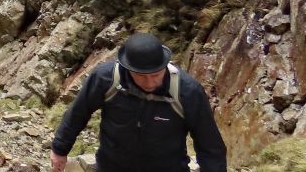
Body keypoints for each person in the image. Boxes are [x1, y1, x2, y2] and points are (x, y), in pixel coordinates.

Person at [50, 33, 227, 172]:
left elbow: (210, 146)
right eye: (142, 76)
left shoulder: (187, 91)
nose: (150, 83)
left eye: (156, 75)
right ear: (128, 68)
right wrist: (60, 149)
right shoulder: (106, 79)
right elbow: (79, 112)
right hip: (112, 167)